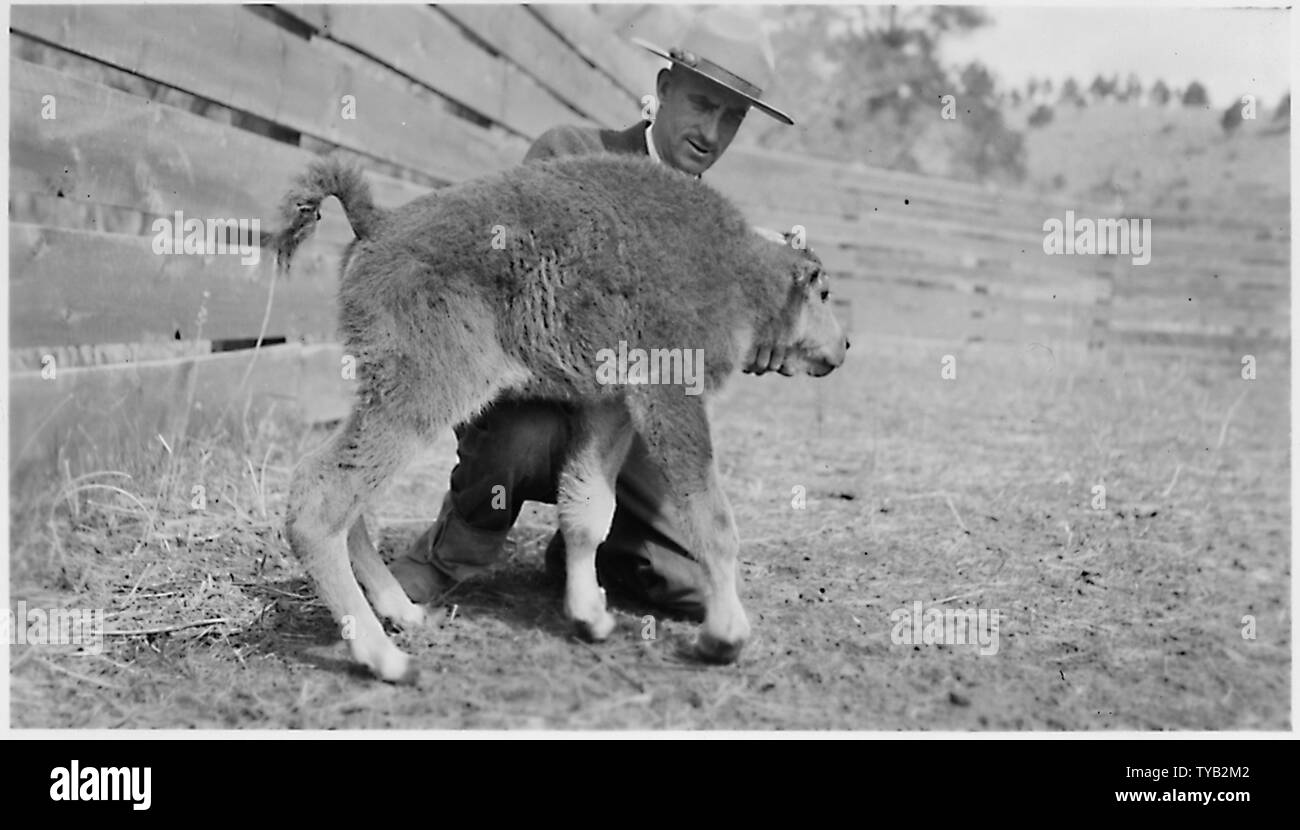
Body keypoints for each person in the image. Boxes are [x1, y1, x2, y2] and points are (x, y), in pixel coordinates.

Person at [389, 7, 795, 620]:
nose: (711, 132)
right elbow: (519, 290)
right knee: (522, 441)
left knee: (683, 584)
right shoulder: (570, 152)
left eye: (731, 117)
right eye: (701, 104)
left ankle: (584, 555)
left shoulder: (713, 227)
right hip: (536, 401)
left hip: (626, 421)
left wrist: (760, 330)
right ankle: (450, 551)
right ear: (663, 91)